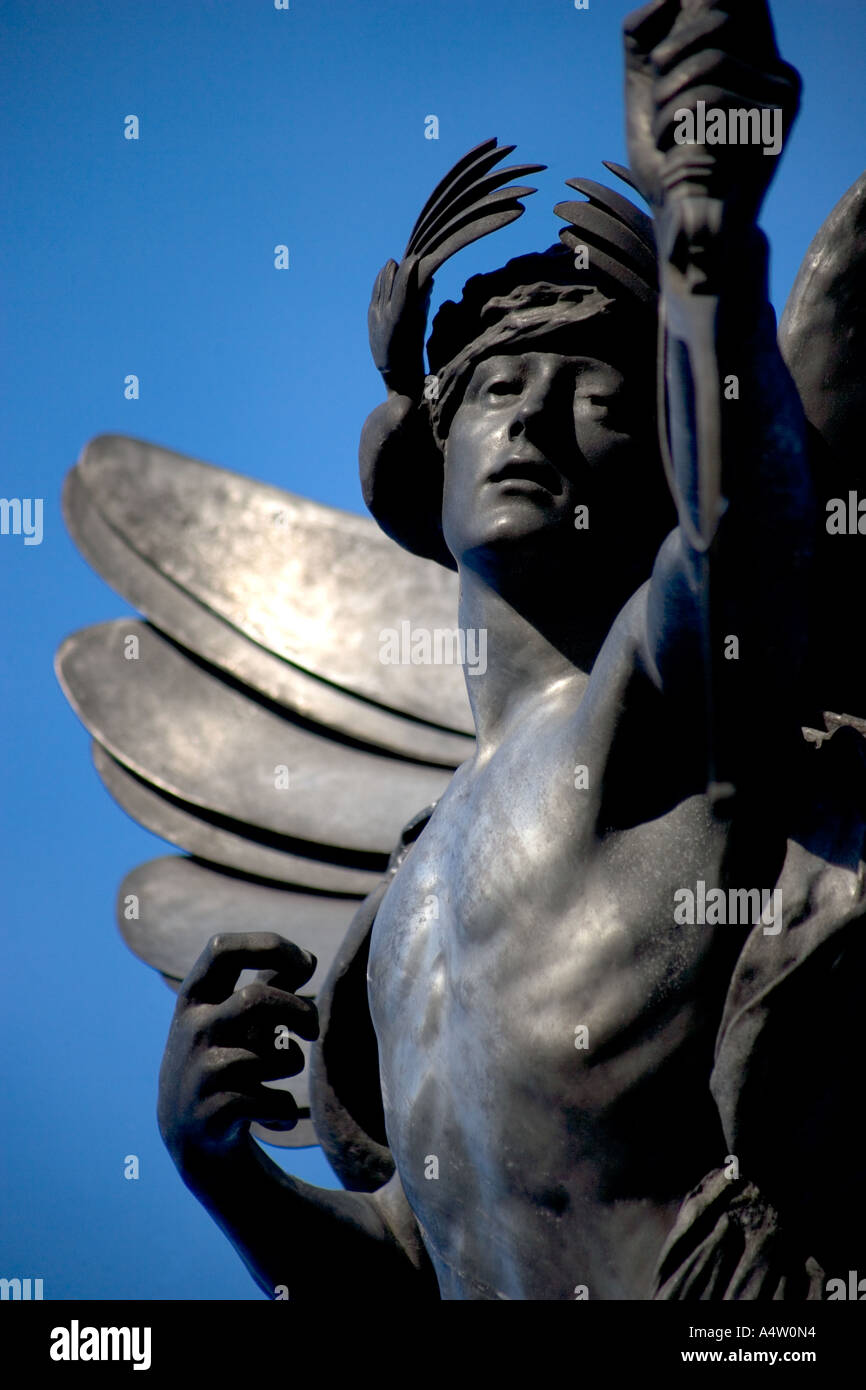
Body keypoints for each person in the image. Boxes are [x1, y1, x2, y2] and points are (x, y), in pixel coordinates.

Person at [157, 1, 856, 1299]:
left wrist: (704, 232)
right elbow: (411, 1263)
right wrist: (221, 1170)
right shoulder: (389, 921)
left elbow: (740, 546)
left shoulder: (660, 703)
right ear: (432, 457)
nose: (532, 413)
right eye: (491, 386)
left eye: (593, 394)